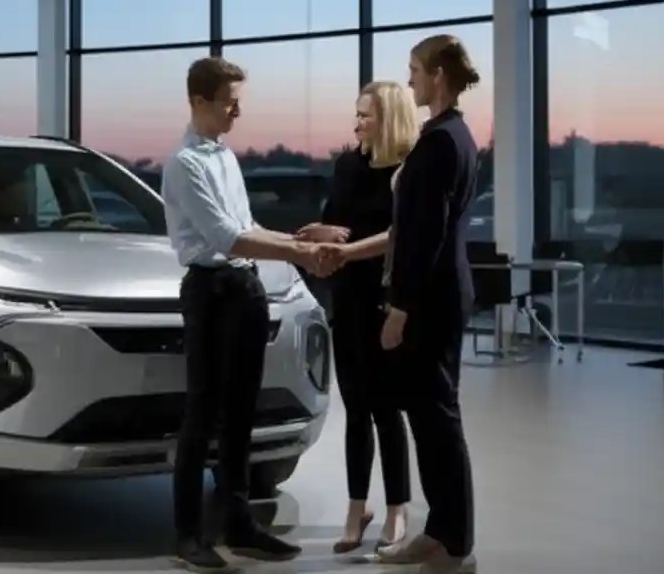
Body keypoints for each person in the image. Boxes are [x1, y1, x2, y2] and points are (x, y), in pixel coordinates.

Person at [160, 56, 340, 573]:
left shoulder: (224, 157)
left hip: (245, 289)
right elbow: (227, 238)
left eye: (238, 100)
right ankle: (188, 534)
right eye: (228, 102)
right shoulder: (185, 163)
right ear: (198, 101)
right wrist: (301, 255)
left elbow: (248, 224)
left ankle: (239, 525)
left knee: (242, 412)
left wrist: (301, 238)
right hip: (210, 292)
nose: (237, 110)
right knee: (202, 415)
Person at [346, 34, 481, 574]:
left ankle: (452, 542)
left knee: (437, 420)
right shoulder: (455, 136)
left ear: (438, 76)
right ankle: (442, 532)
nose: (411, 81)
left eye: (416, 71)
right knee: (431, 418)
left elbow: (423, 235)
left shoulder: (441, 142)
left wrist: (400, 309)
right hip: (442, 294)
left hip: (430, 301)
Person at [296, 81, 420, 553]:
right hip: (346, 300)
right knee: (356, 411)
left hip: (385, 301)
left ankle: (397, 510)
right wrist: (324, 231)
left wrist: (345, 247)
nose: (357, 124)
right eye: (356, 114)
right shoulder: (348, 165)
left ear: (388, 118)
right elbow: (333, 220)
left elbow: (398, 236)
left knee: (387, 409)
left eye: (365, 115)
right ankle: (356, 507)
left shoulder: (408, 171)